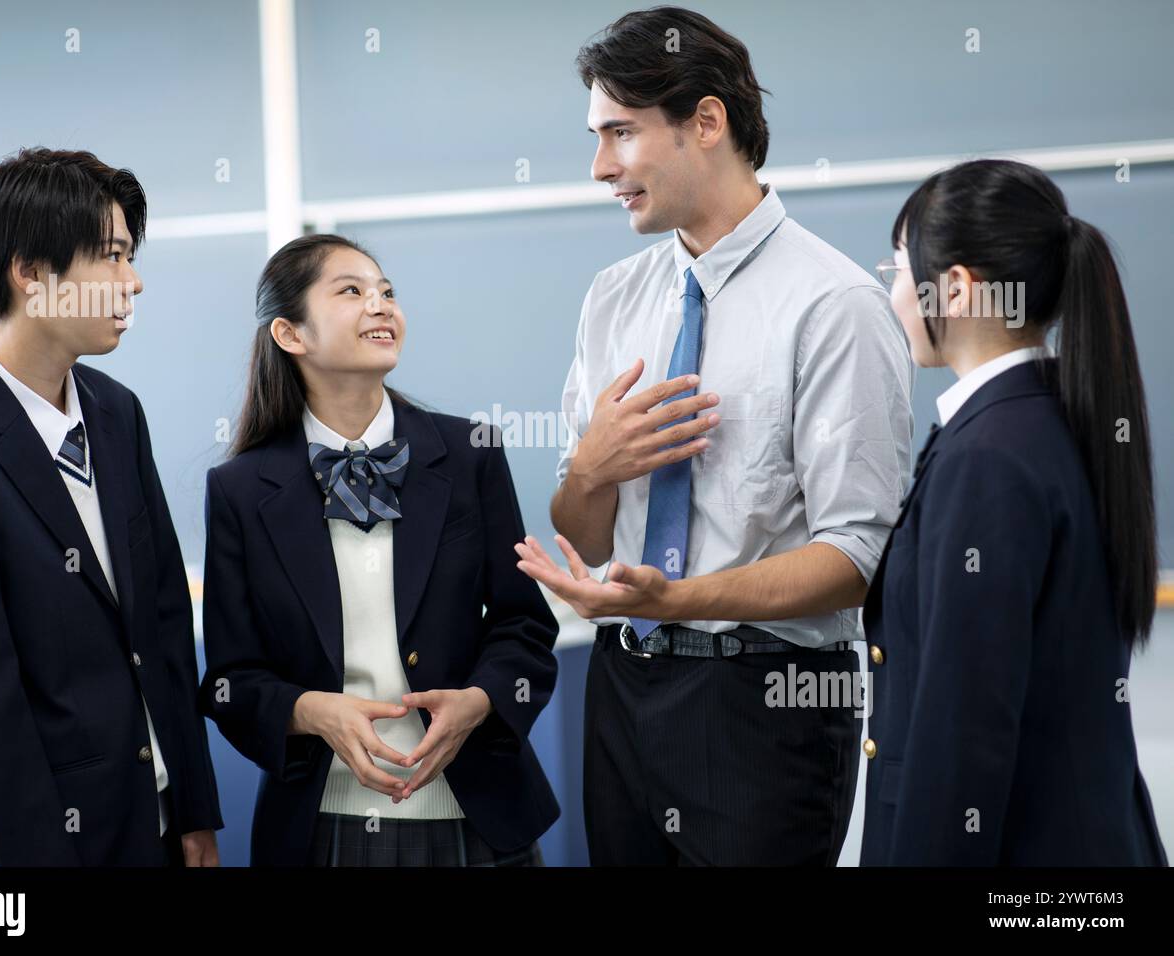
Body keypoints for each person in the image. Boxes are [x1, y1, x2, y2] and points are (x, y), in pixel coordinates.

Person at [516, 7, 914, 865]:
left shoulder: (835, 306)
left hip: (769, 700)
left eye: (620, 133)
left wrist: (677, 600)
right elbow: (585, 540)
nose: (599, 168)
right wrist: (590, 469)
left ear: (706, 121)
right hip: (625, 684)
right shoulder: (612, 298)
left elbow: (855, 557)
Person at [0, 147, 222, 866]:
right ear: (31, 274)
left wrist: (194, 812)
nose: (131, 282)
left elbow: (162, 621)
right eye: (110, 257)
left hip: (159, 825)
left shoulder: (116, 412)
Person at [199, 234, 559, 866]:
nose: (381, 305)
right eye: (352, 292)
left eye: (387, 292)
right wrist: (311, 711)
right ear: (290, 334)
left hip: (478, 812)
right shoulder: (238, 489)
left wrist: (480, 701)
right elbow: (232, 679)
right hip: (321, 825)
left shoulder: (471, 451)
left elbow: (523, 623)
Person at [859, 158, 1168, 866]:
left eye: (901, 270)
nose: (894, 292)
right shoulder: (1056, 419)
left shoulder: (987, 458)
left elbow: (963, 726)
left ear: (959, 288)